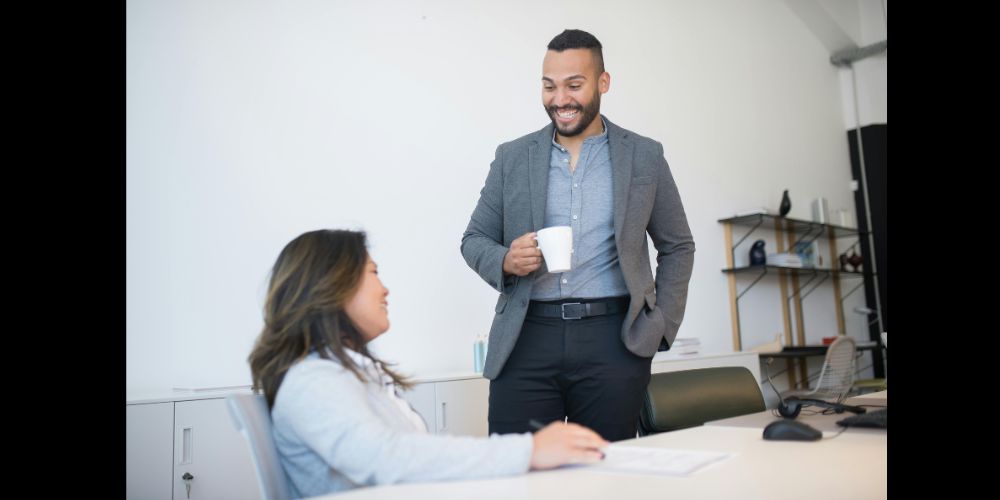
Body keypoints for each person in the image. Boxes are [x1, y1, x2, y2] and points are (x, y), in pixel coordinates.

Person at [461, 29, 695, 441]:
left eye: (574, 85)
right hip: (526, 337)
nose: (560, 99)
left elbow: (677, 246)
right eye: (549, 86)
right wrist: (505, 260)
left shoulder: (644, 155)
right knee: (518, 470)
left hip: (614, 342)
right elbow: (474, 238)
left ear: (603, 83)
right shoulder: (512, 157)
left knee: (608, 473)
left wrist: (660, 323)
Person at [248, 229, 607, 498]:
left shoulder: (345, 374)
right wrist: (529, 450)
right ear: (331, 286)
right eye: (373, 273)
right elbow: (384, 457)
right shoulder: (313, 380)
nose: (384, 289)